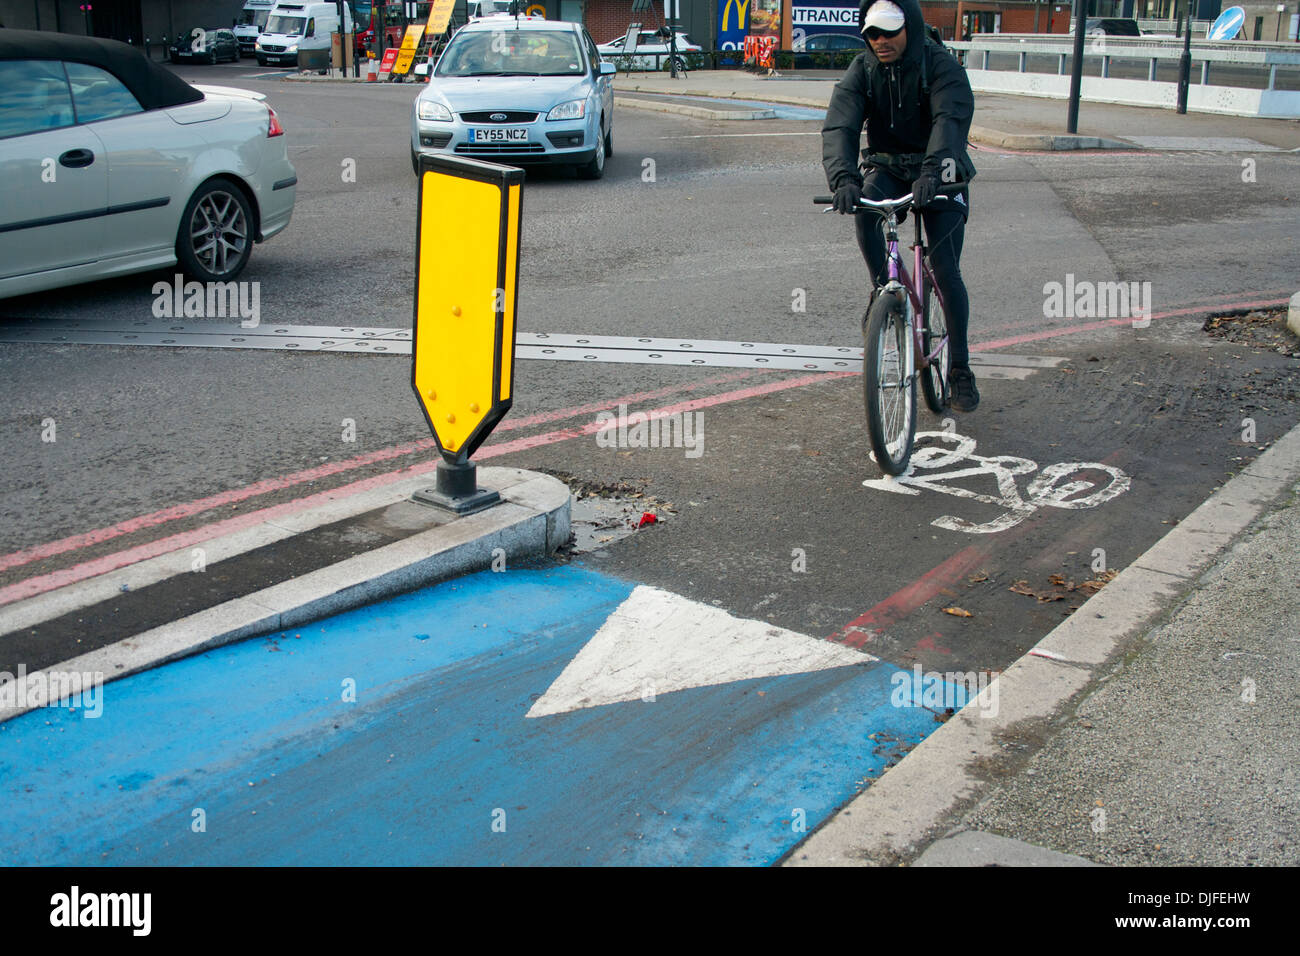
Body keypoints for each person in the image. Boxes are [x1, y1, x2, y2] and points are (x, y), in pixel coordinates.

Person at [822, 0, 980, 411]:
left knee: (945, 268)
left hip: (942, 170)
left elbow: (950, 119)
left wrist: (933, 171)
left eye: (889, 32)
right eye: (872, 33)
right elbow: (841, 124)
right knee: (866, 213)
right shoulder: (863, 69)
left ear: (908, 27)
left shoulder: (940, 65)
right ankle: (882, 291)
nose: (880, 41)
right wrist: (844, 180)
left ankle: (960, 369)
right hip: (889, 166)